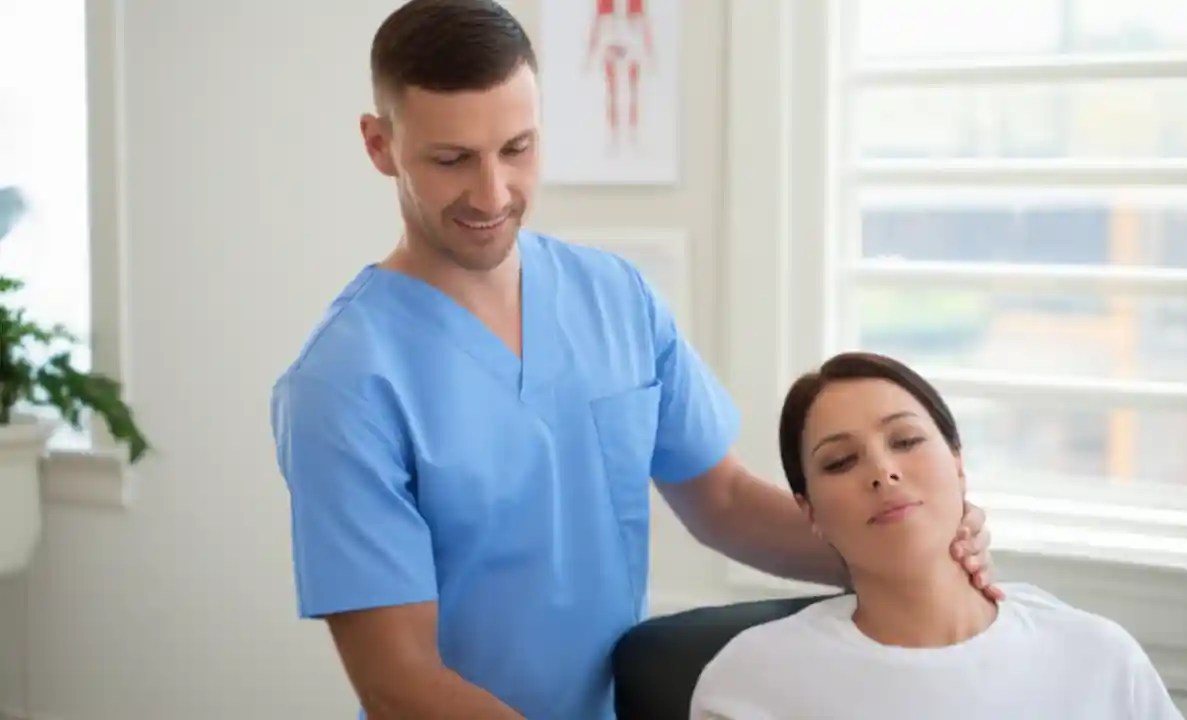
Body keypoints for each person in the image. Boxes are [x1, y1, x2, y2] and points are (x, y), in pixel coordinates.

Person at [268, 2, 999, 718]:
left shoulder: (615, 296)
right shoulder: (343, 384)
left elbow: (723, 503)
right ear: (379, 144)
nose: (493, 193)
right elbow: (399, 683)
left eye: (518, 149)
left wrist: (904, 544)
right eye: (453, 159)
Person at [689, 352, 1183, 720]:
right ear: (810, 511)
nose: (883, 472)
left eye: (905, 441)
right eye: (840, 462)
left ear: (958, 464)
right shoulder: (752, 681)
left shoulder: (1096, 656)